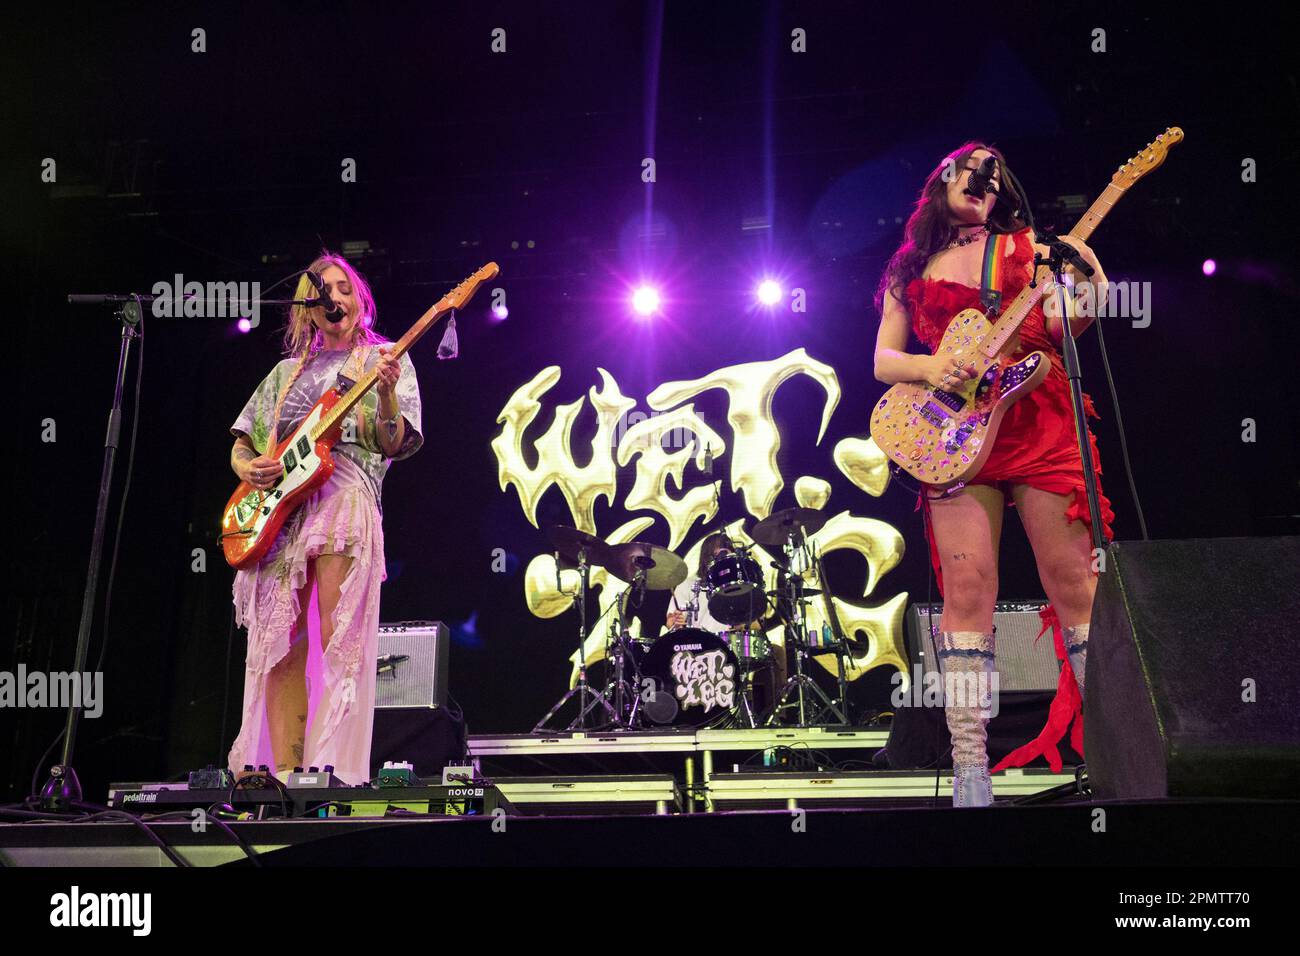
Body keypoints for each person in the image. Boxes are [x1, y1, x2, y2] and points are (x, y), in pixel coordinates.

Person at [873, 143, 1115, 807]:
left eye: (995, 173)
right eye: (971, 168)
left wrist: (1090, 278)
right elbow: (884, 360)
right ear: (940, 180)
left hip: (1038, 416)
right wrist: (933, 370)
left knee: (1073, 580)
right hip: (955, 430)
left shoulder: (1028, 248)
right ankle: (972, 770)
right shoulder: (910, 268)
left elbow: (1068, 322)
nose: (985, 177)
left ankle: (1112, 756)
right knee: (969, 584)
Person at [226, 252, 423, 785]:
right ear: (307, 309)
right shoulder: (284, 374)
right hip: (279, 508)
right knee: (278, 639)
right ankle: (285, 771)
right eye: (322, 291)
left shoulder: (383, 359)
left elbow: (393, 441)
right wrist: (254, 467)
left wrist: (384, 391)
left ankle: (330, 767)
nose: (333, 297)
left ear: (359, 299)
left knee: (337, 634)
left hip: (343, 494)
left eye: (343, 287)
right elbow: (241, 446)